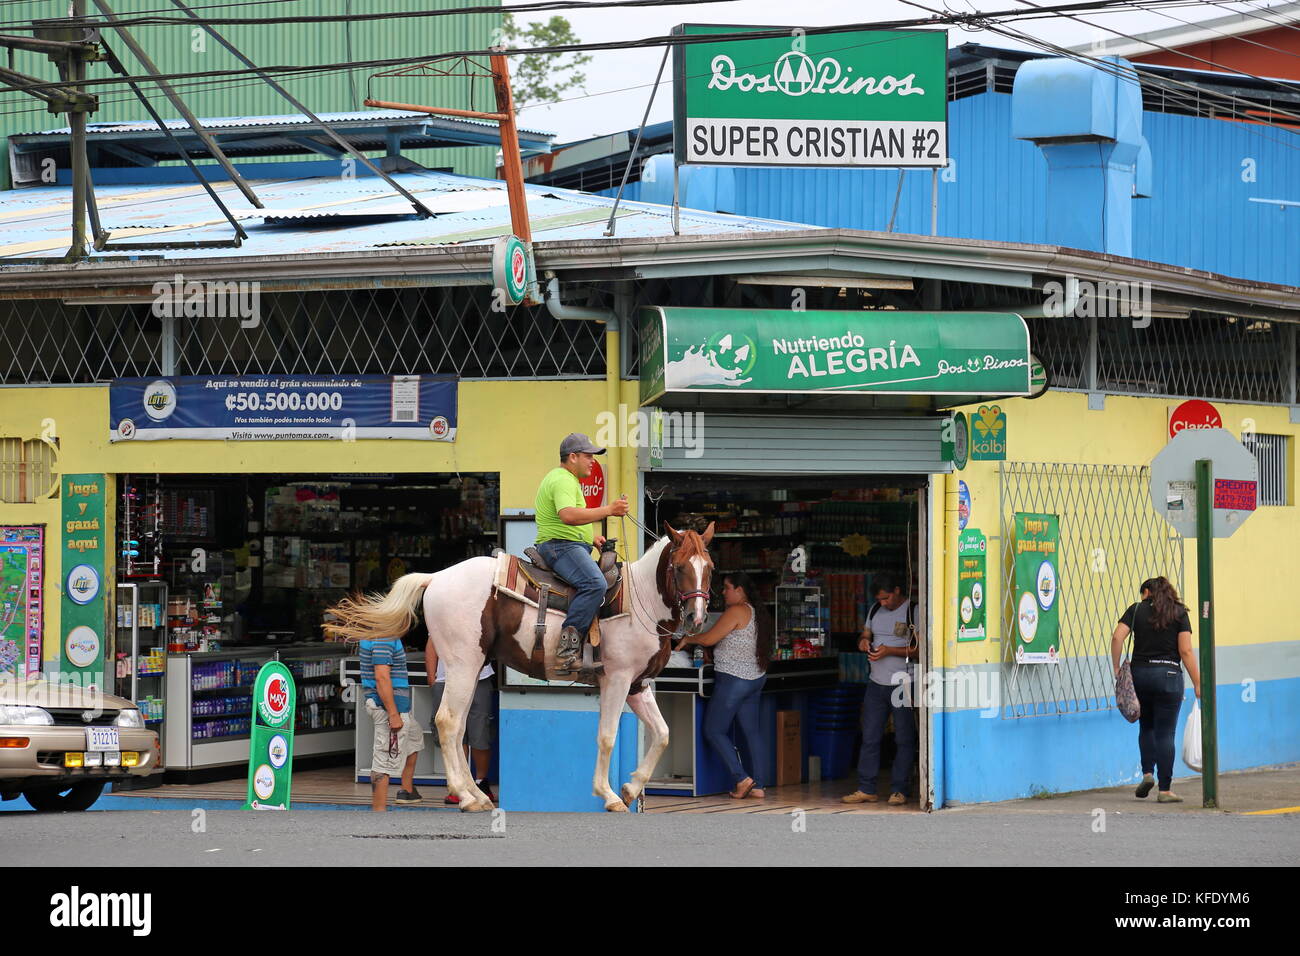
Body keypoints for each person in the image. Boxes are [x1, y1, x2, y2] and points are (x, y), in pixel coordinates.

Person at [534, 432, 629, 676]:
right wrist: (609, 509)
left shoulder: (566, 479)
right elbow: (567, 515)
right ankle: (566, 651)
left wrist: (590, 538)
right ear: (573, 457)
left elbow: (568, 519)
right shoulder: (563, 480)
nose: (593, 461)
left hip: (568, 544)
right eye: (588, 456)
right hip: (561, 546)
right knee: (595, 583)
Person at [677, 572, 774, 799]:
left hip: (734, 680)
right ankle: (758, 785)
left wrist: (688, 638)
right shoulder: (754, 611)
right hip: (755, 678)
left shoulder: (736, 611)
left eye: (727, 588)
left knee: (713, 730)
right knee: (751, 732)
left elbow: (710, 638)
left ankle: (741, 778)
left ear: (740, 590)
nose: (723, 592)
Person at [1111, 577, 1201, 803]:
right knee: (1166, 733)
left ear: (1148, 592)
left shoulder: (1137, 609)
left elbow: (1117, 636)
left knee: (1147, 727)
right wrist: (1199, 683)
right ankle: (1165, 790)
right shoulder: (1179, 612)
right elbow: (1186, 651)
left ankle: (1147, 773)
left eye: (1143, 594)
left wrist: (1116, 667)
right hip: (1169, 677)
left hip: (1140, 676)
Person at [843, 572, 918, 806]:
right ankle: (866, 788)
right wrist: (863, 642)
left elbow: (919, 649)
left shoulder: (913, 611)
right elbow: (866, 634)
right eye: (880, 599)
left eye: (886, 598)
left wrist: (889, 651)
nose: (883, 603)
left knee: (904, 738)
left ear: (897, 590)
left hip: (903, 682)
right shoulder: (875, 610)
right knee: (870, 737)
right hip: (875, 683)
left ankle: (900, 789)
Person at [425, 638, 497, 805]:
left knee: (480, 733)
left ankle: (481, 782)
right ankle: (459, 784)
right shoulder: (443, 612)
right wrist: (432, 679)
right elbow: (432, 644)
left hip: (480, 678)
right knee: (454, 735)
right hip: (446, 680)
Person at [359, 633, 424, 811]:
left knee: (414, 737)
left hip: (398, 708)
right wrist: (393, 714)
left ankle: (407, 791)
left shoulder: (383, 635)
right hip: (389, 709)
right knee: (383, 760)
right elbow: (381, 677)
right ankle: (379, 810)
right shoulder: (383, 638)